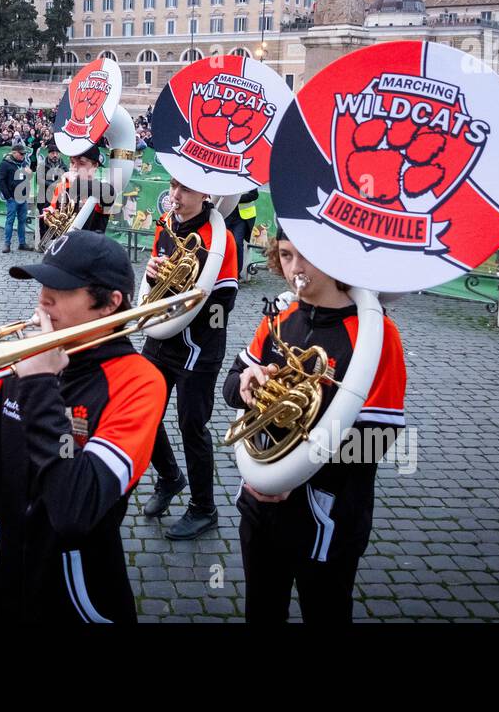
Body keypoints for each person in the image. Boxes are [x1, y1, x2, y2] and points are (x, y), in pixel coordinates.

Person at [0, 229, 168, 622]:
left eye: (62, 287)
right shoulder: (16, 365)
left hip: (80, 602)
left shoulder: (139, 381)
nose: (43, 297)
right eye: (42, 283)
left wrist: (39, 384)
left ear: (110, 304)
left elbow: (74, 511)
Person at [224, 231, 406, 623]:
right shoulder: (280, 316)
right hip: (259, 505)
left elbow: (377, 438)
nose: (295, 271)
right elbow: (230, 386)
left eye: (307, 256)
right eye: (286, 256)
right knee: (260, 611)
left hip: (328, 517)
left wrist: (295, 472)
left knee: (326, 613)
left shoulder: (377, 335)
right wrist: (246, 383)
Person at [140, 178, 238, 540]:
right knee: (142, 412)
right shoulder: (165, 224)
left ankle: (204, 509)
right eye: (173, 186)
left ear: (205, 195)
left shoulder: (221, 238)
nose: (176, 195)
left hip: (200, 347)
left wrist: (181, 291)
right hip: (160, 340)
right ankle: (169, 478)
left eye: (185, 189)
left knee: (191, 426)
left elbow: (223, 303)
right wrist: (153, 279)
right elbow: (152, 284)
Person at [39, 143, 115, 237]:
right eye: (72, 162)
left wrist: (75, 182)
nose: (74, 167)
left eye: (81, 163)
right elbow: (53, 211)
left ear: (95, 165)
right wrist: (50, 215)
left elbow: (110, 193)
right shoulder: (62, 186)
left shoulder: (102, 188)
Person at [0, 142, 32, 254]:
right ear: (14, 152)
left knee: (22, 221)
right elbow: (1, 181)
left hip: (23, 197)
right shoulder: (5, 164)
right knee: (10, 221)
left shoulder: (24, 163)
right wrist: (8, 197)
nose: (22, 156)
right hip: (12, 198)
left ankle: (22, 243)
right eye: (21, 154)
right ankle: (7, 244)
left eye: (23, 154)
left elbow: (28, 177)